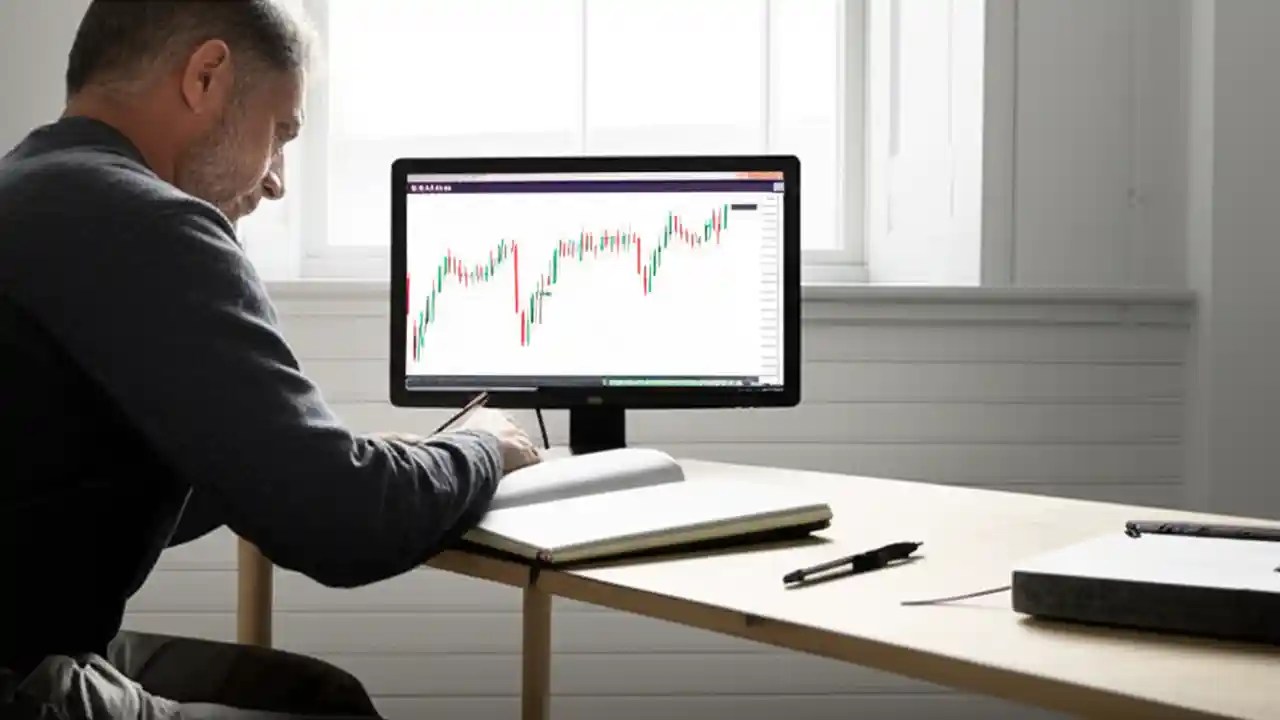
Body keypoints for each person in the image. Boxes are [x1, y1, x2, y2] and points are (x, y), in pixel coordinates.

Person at [0, 1, 542, 718]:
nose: (278, 178)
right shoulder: (150, 222)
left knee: (319, 695)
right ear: (207, 75)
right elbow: (340, 526)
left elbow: (70, 479)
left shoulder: (30, 187)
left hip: (30, 637)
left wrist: (314, 455)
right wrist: (479, 450)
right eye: (280, 132)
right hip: (24, 677)